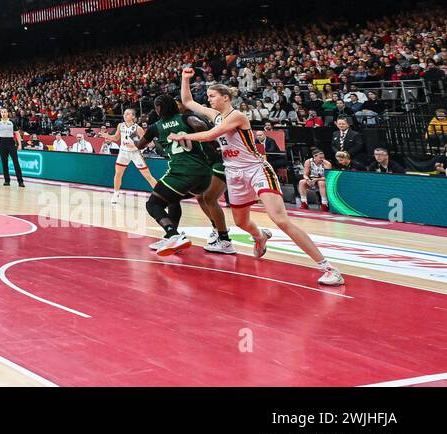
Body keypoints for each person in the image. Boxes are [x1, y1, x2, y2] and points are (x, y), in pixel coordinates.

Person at [171, 67, 343, 286]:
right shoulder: (215, 116)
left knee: (279, 219)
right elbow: (187, 101)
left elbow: (210, 135)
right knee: (241, 222)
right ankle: (260, 236)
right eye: (208, 97)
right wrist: (185, 78)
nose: (209, 100)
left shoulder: (237, 116)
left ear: (225, 97)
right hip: (234, 173)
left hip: (256, 169)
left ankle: (328, 268)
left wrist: (185, 135)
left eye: (212, 96)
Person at [135, 95, 223, 255]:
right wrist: (212, 144)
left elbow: (139, 145)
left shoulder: (156, 126)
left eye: (156, 107)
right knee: (173, 199)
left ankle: (173, 234)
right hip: (204, 174)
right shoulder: (187, 117)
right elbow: (204, 129)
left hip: (181, 172)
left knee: (153, 204)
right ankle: (173, 237)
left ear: (159, 109)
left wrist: (139, 138)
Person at [103, 108, 158, 203]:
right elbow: (116, 138)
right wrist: (106, 136)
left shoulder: (138, 128)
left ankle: (161, 195)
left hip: (135, 153)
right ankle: (116, 194)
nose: (125, 115)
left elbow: (147, 143)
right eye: (124, 113)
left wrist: (135, 145)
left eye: (127, 114)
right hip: (123, 153)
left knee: (148, 176)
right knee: (118, 174)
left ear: (133, 116)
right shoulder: (120, 125)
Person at [0, 107, 24, 187]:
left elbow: (17, 133)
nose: (3, 113)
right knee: (4, 163)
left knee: (16, 162)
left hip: (11, 143)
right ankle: (7, 180)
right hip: (2, 143)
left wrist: (19, 144)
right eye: (2, 112)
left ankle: (20, 181)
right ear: (0, 113)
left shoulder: (12, 122)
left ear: (7, 113)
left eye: (5, 112)